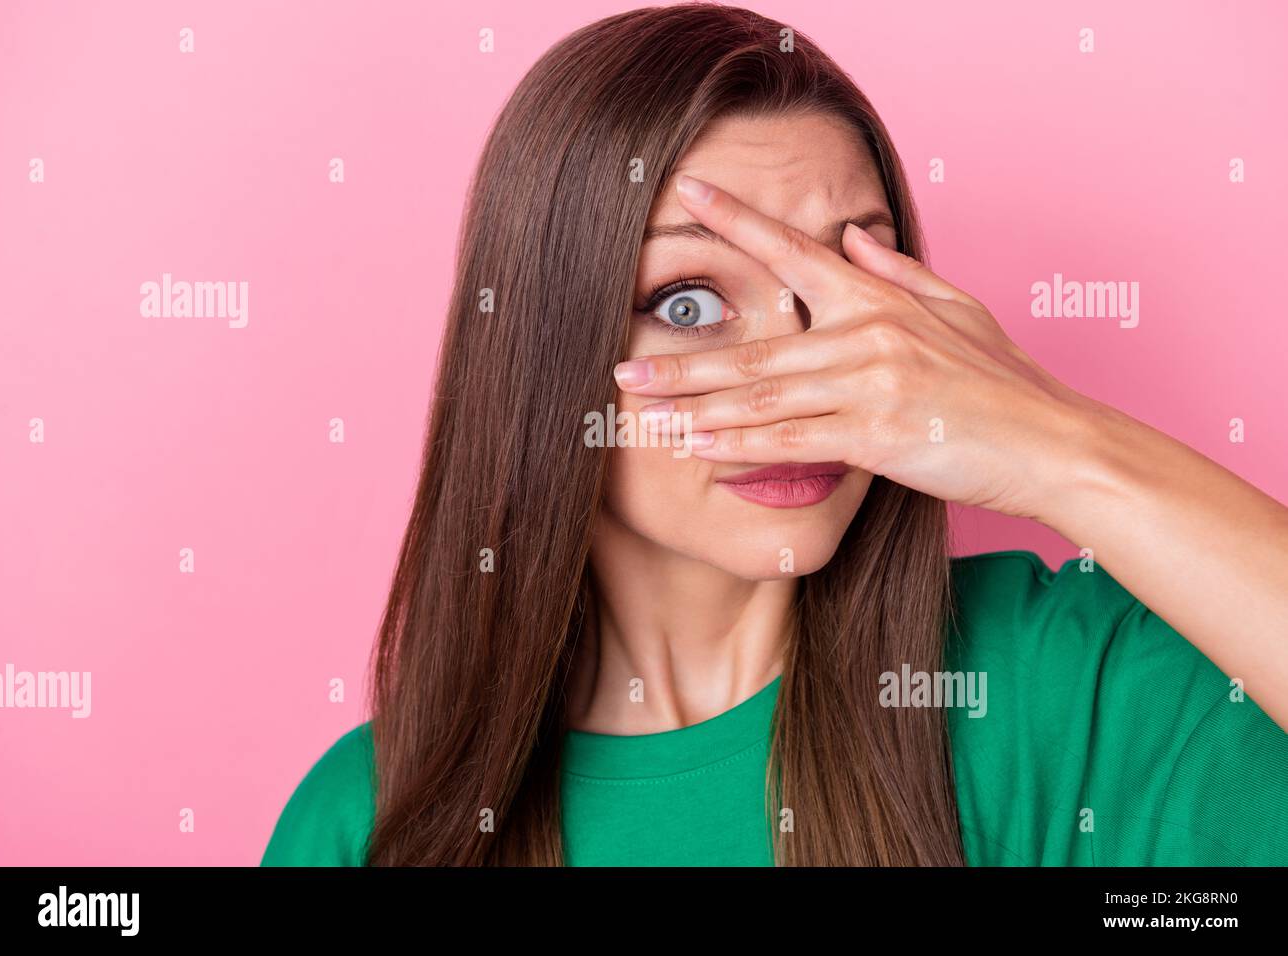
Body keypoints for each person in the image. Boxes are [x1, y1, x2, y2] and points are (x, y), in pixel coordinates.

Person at [261, 3, 1288, 867]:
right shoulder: (364, 821)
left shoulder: (1061, 682)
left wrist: (1060, 444)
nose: (806, 383)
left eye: (840, 292)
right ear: (542, 344)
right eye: (692, 303)